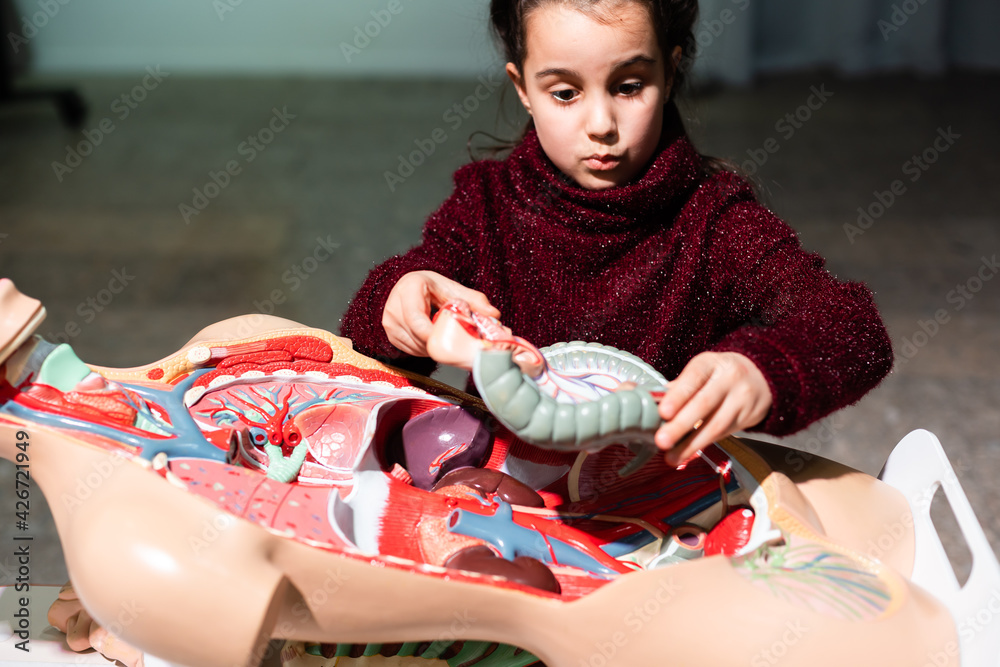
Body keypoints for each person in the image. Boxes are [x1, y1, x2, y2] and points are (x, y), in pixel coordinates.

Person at [340, 0, 893, 469]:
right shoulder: (484, 205)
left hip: (657, 507)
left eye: (629, 86)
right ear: (523, 88)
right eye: (564, 93)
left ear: (670, 73)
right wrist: (402, 296)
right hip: (506, 488)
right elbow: (369, 332)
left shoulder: (718, 222)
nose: (601, 124)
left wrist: (763, 368)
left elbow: (855, 328)